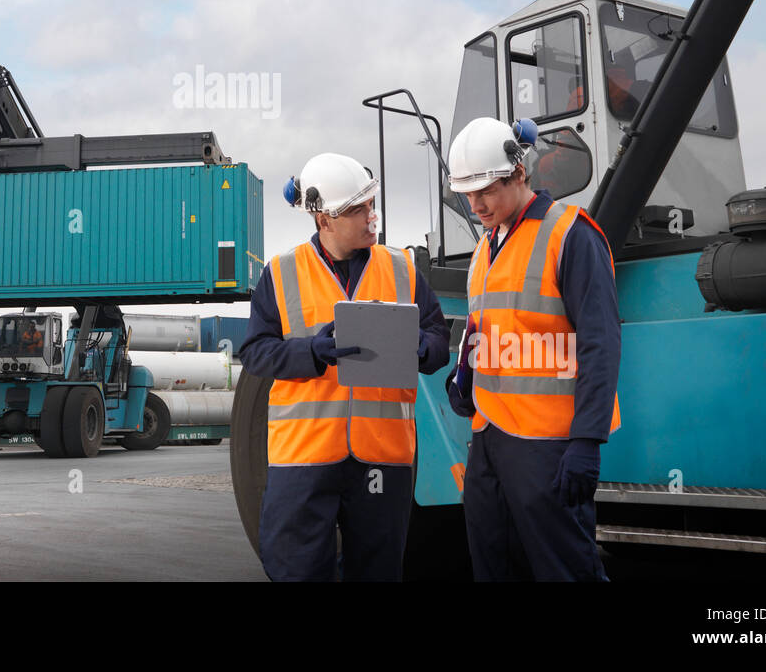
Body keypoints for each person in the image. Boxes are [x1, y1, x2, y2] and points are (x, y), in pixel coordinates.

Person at [240, 152, 451, 582]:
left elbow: (439, 344)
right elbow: (256, 353)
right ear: (324, 218)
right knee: (295, 570)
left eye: (371, 204)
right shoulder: (280, 273)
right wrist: (312, 353)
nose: (371, 217)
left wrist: (419, 346)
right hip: (304, 456)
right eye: (358, 210)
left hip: (383, 457)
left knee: (378, 572)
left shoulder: (403, 268)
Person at [445, 117, 621, 581]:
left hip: (549, 445)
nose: (476, 204)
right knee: (494, 564)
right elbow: (483, 326)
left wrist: (587, 440)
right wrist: (463, 374)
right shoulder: (487, 245)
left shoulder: (571, 235)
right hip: (489, 435)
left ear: (519, 173)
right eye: (468, 193)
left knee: (565, 570)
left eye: (486, 190)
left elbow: (600, 344)